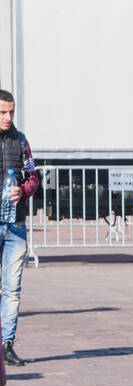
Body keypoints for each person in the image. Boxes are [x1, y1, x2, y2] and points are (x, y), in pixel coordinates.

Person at [0, 89, 38, 368]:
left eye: (11, 112)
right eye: (2, 112)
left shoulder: (21, 141)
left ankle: (7, 345)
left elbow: (33, 176)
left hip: (16, 225)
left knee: (12, 289)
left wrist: (23, 191)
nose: (8, 117)